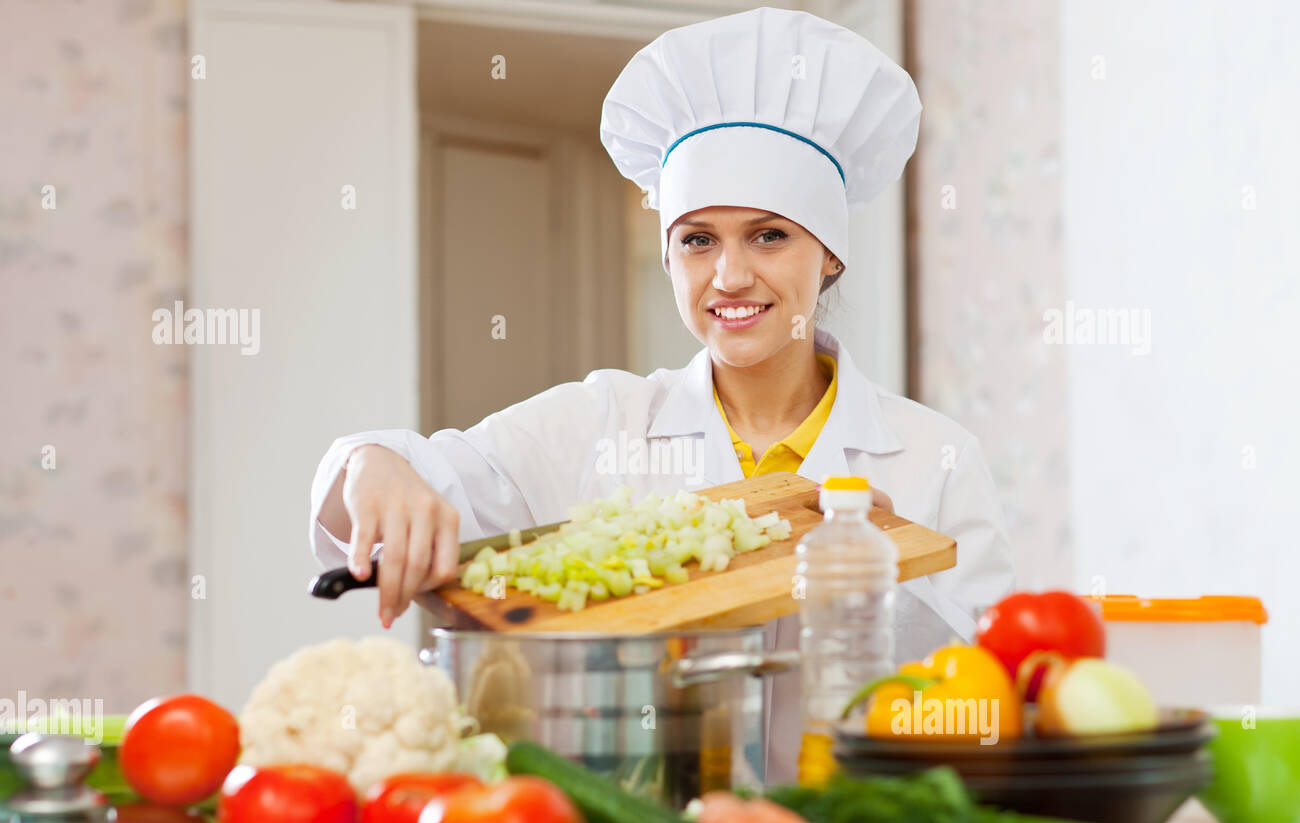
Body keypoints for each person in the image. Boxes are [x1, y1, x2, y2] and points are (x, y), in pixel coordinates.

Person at [309, 7, 1015, 782]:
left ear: (832, 256)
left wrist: (876, 581)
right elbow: (421, 475)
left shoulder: (934, 458)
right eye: (698, 239)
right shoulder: (604, 422)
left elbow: (986, 705)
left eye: (770, 235)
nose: (731, 276)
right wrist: (369, 466)